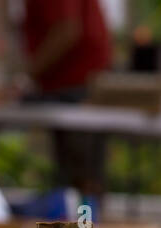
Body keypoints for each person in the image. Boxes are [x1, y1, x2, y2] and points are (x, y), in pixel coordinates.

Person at [21, 0, 112, 207]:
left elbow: (66, 31)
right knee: (76, 185)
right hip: (73, 87)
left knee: (80, 185)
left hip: (77, 88)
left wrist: (28, 75)